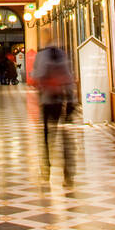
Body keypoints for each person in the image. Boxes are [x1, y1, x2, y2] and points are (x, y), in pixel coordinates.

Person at [31, 34, 76, 187]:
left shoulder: (42, 55)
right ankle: (68, 173)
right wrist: (71, 100)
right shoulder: (62, 54)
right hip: (62, 101)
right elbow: (68, 77)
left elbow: (38, 75)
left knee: (46, 137)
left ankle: (46, 169)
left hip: (48, 100)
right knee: (66, 139)